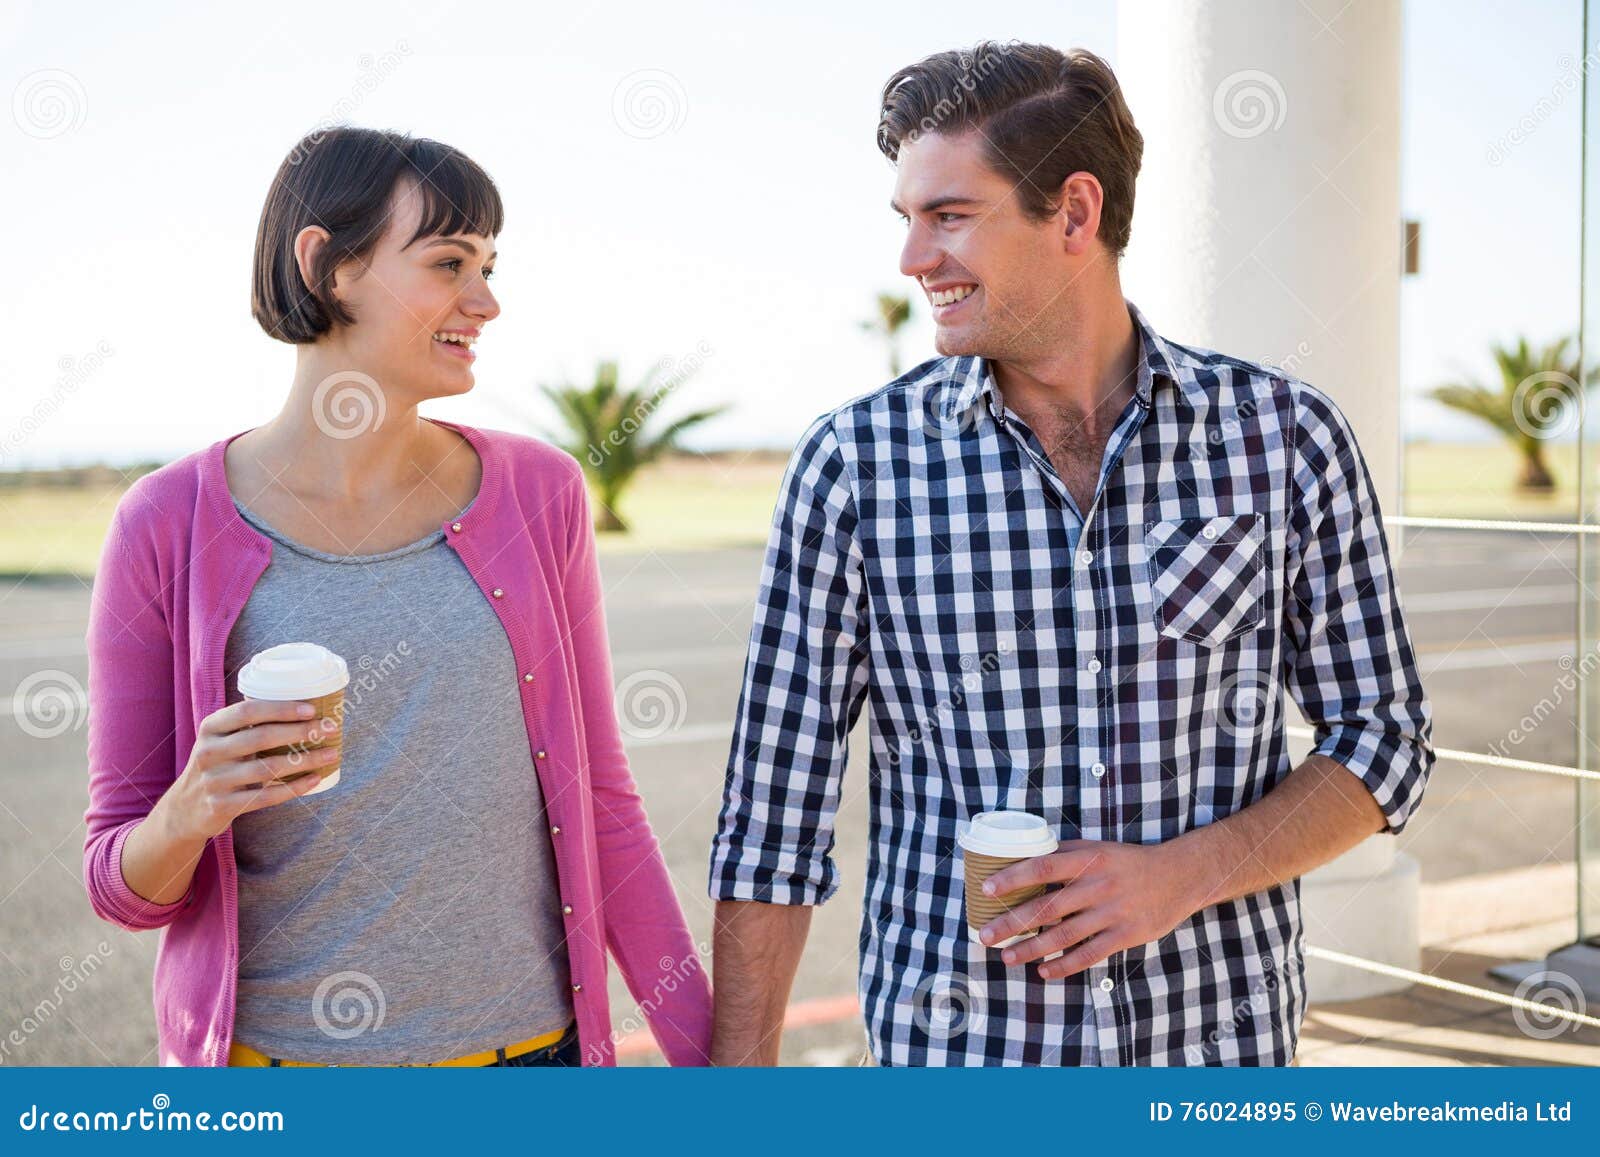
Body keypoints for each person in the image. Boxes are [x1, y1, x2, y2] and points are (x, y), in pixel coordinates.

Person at [708, 43, 1434, 1066]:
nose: (914, 258)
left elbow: (1382, 737)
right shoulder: (854, 465)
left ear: (1075, 214)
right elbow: (771, 821)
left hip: (1213, 1057)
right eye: (907, 220)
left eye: (949, 215)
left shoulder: (1283, 435)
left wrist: (1180, 873)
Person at [82, 127, 711, 1067]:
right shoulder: (165, 522)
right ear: (327, 265)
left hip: (529, 1064)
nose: (486, 301)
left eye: (491, 266)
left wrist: (718, 1060)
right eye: (449, 263)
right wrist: (193, 806)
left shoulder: (539, 494)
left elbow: (604, 801)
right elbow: (120, 886)